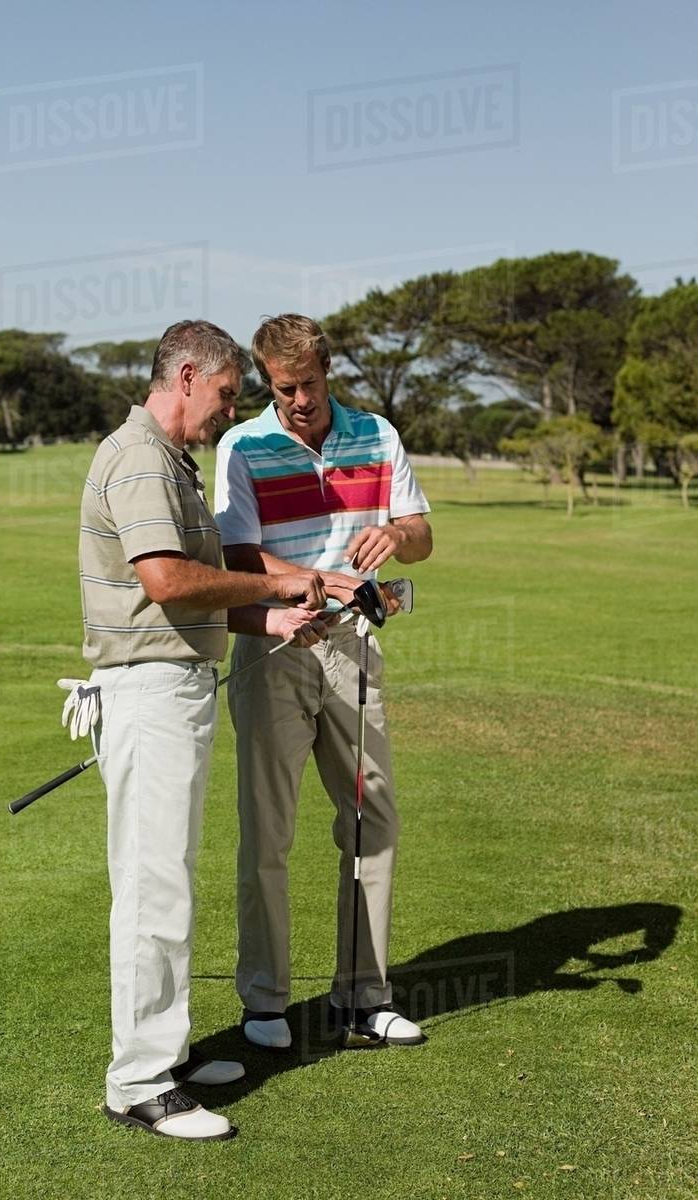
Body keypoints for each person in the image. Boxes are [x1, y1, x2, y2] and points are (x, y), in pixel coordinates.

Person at [76, 319, 353, 1142]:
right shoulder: (137, 457)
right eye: (230, 394)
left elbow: (195, 597)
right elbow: (166, 582)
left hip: (175, 686)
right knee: (153, 890)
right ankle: (139, 1082)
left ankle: (167, 1053)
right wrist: (286, 580)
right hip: (147, 694)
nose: (231, 412)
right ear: (187, 375)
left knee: (171, 882)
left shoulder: (171, 463)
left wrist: (270, 622)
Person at [213, 313, 433, 1051]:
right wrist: (314, 579)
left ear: (327, 368)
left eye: (307, 384)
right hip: (277, 648)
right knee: (269, 833)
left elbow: (423, 536)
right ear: (265, 381)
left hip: (356, 650)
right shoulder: (242, 445)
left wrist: (396, 536)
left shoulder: (377, 434)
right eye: (283, 389)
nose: (298, 401)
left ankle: (364, 997)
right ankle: (266, 1002)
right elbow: (240, 559)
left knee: (374, 820)